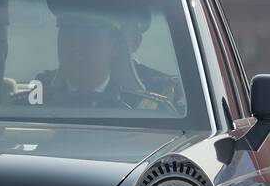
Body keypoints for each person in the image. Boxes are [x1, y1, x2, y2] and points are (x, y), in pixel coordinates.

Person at [26, 9, 175, 112]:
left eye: (89, 37)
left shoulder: (156, 109)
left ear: (115, 47)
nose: (76, 47)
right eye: (68, 36)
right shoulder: (35, 100)